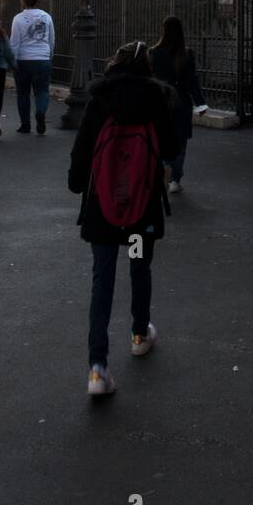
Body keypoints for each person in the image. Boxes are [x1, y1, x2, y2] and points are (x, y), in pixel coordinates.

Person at [68, 41, 178, 397]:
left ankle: (97, 370)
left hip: (103, 204)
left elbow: (83, 147)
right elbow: (171, 148)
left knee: (103, 280)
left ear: (115, 62)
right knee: (138, 267)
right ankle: (138, 334)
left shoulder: (101, 98)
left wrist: (76, 181)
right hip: (141, 203)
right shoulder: (156, 98)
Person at [148, 16, 206, 194]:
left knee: (159, 137)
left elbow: (149, 79)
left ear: (163, 30)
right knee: (180, 143)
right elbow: (192, 82)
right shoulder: (186, 54)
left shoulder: (153, 52)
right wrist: (201, 104)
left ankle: (163, 169)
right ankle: (175, 178)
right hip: (181, 102)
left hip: (160, 101)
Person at [9, 0, 55, 135]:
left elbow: (14, 42)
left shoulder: (18, 18)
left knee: (22, 93)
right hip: (42, 58)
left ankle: (25, 125)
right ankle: (40, 112)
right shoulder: (46, 17)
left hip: (23, 60)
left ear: (24, 2)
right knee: (42, 91)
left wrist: (12, 61)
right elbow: (51, 39)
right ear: (38, 1)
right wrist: (49, 54)